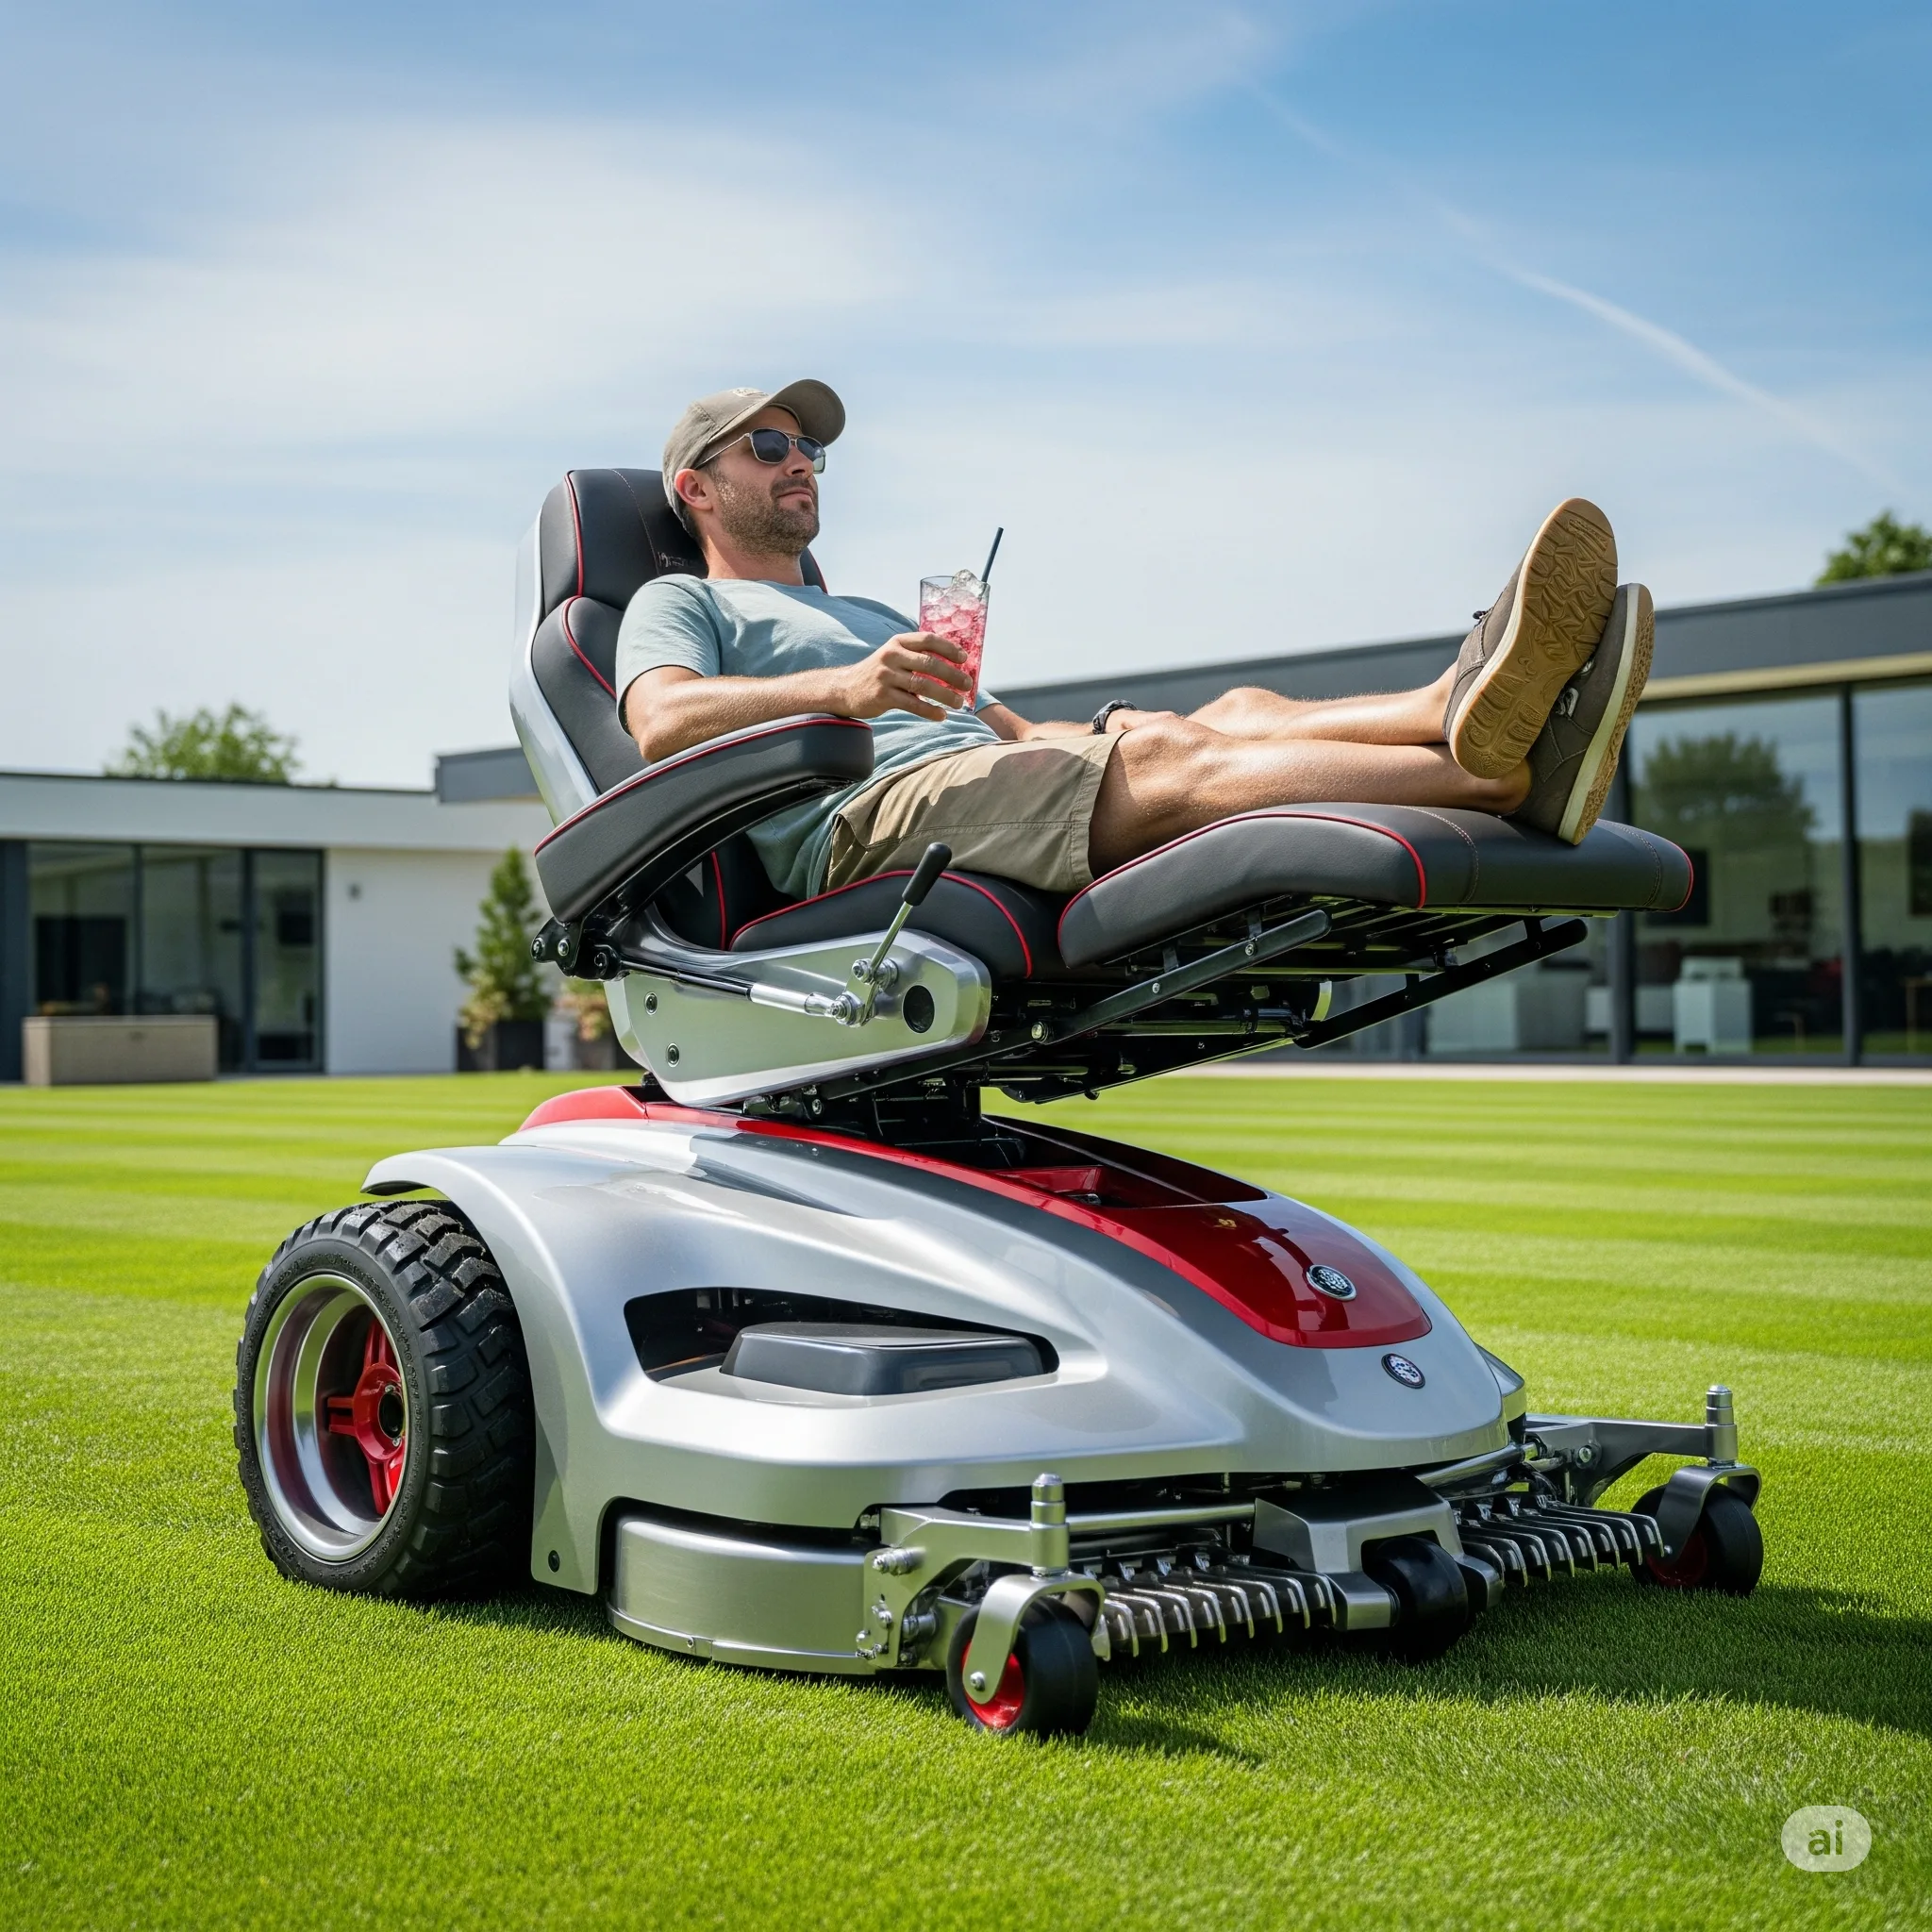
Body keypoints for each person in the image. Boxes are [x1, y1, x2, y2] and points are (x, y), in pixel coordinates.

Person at [614, 379, 1655, 905]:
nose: (798, 460)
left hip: (978, 774)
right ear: (696, 488)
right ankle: (1501, 786)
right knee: (1164, 758)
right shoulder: (682, 604)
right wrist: (847, 691)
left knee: (1228, 714)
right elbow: (659, 720)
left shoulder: (880, 617)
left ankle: (1450, 706)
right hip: (862, 822)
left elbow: (1008, 728)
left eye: (808, 449)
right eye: (768, 445)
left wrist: (1109, 728)